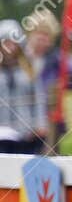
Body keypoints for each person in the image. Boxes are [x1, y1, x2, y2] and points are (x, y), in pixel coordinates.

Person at [22, 9, 72, 141]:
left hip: (49, 123)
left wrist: (62, 85)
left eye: (47, 35)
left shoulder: (55, 59)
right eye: (39, 33)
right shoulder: (18, 57)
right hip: (22, 120)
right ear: (30, 34)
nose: (42, 38)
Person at [0, 20, 47, 154]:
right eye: (5, 42)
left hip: (26, 134)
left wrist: (40, 124)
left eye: (12, 42)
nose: (9, 47)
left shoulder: (28, 70)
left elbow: (38, 99)